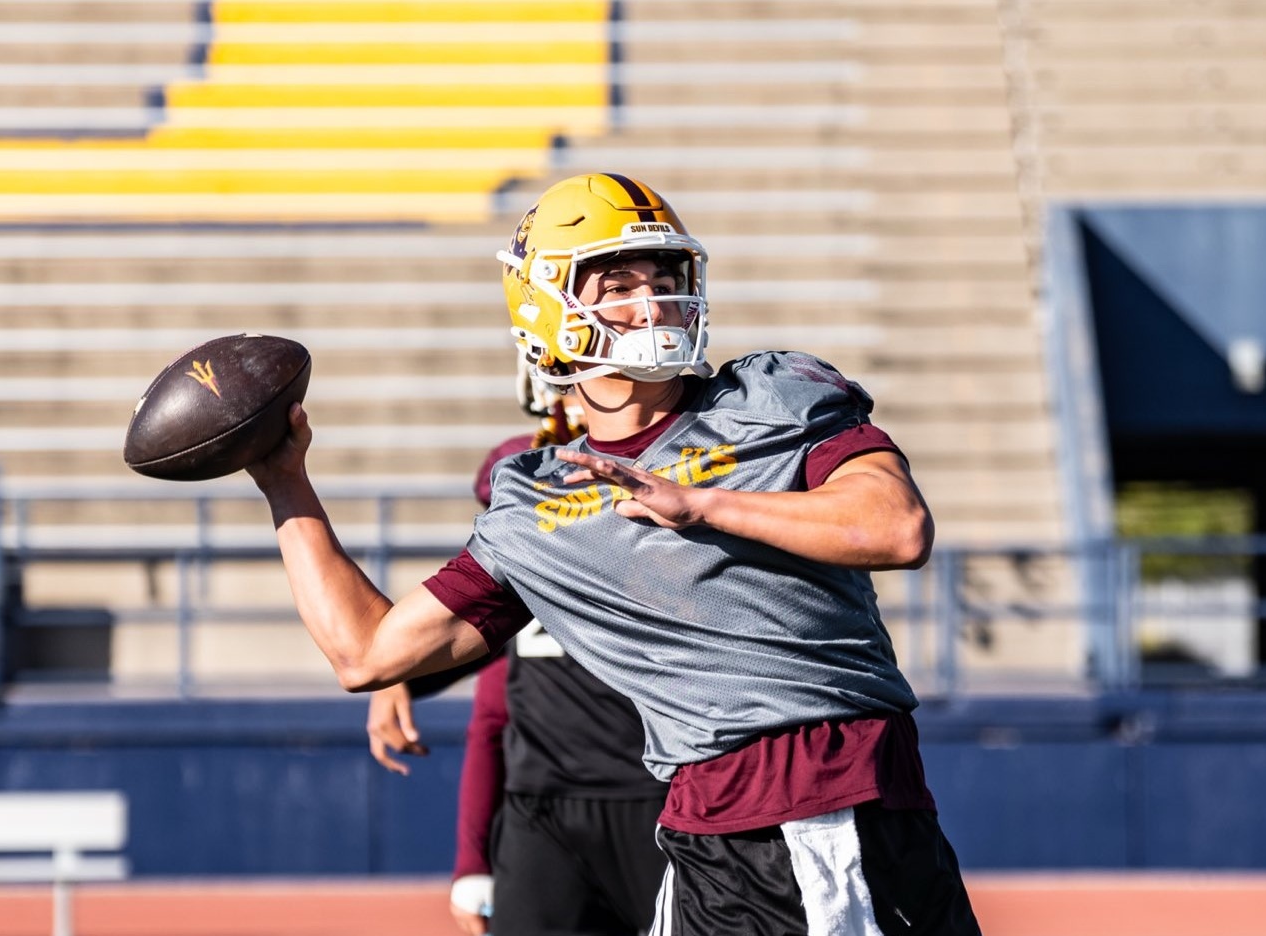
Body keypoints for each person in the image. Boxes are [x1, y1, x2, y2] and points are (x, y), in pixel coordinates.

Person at [249, 172, 982, 935]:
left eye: (665, 279)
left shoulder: (772, 395)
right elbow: (365, 652)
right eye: (620, 282)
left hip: (821, 802)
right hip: (699, 828)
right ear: (546, 304)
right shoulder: (534, 498)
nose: (654, 303)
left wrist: (701, 504)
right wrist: (284, 483)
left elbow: (894, 527)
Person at [368, 389, 668, 936]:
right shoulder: (516, 576)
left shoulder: (659, 545)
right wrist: (400, 681)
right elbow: (489, 716)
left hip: (660, 801)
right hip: (543, 811)